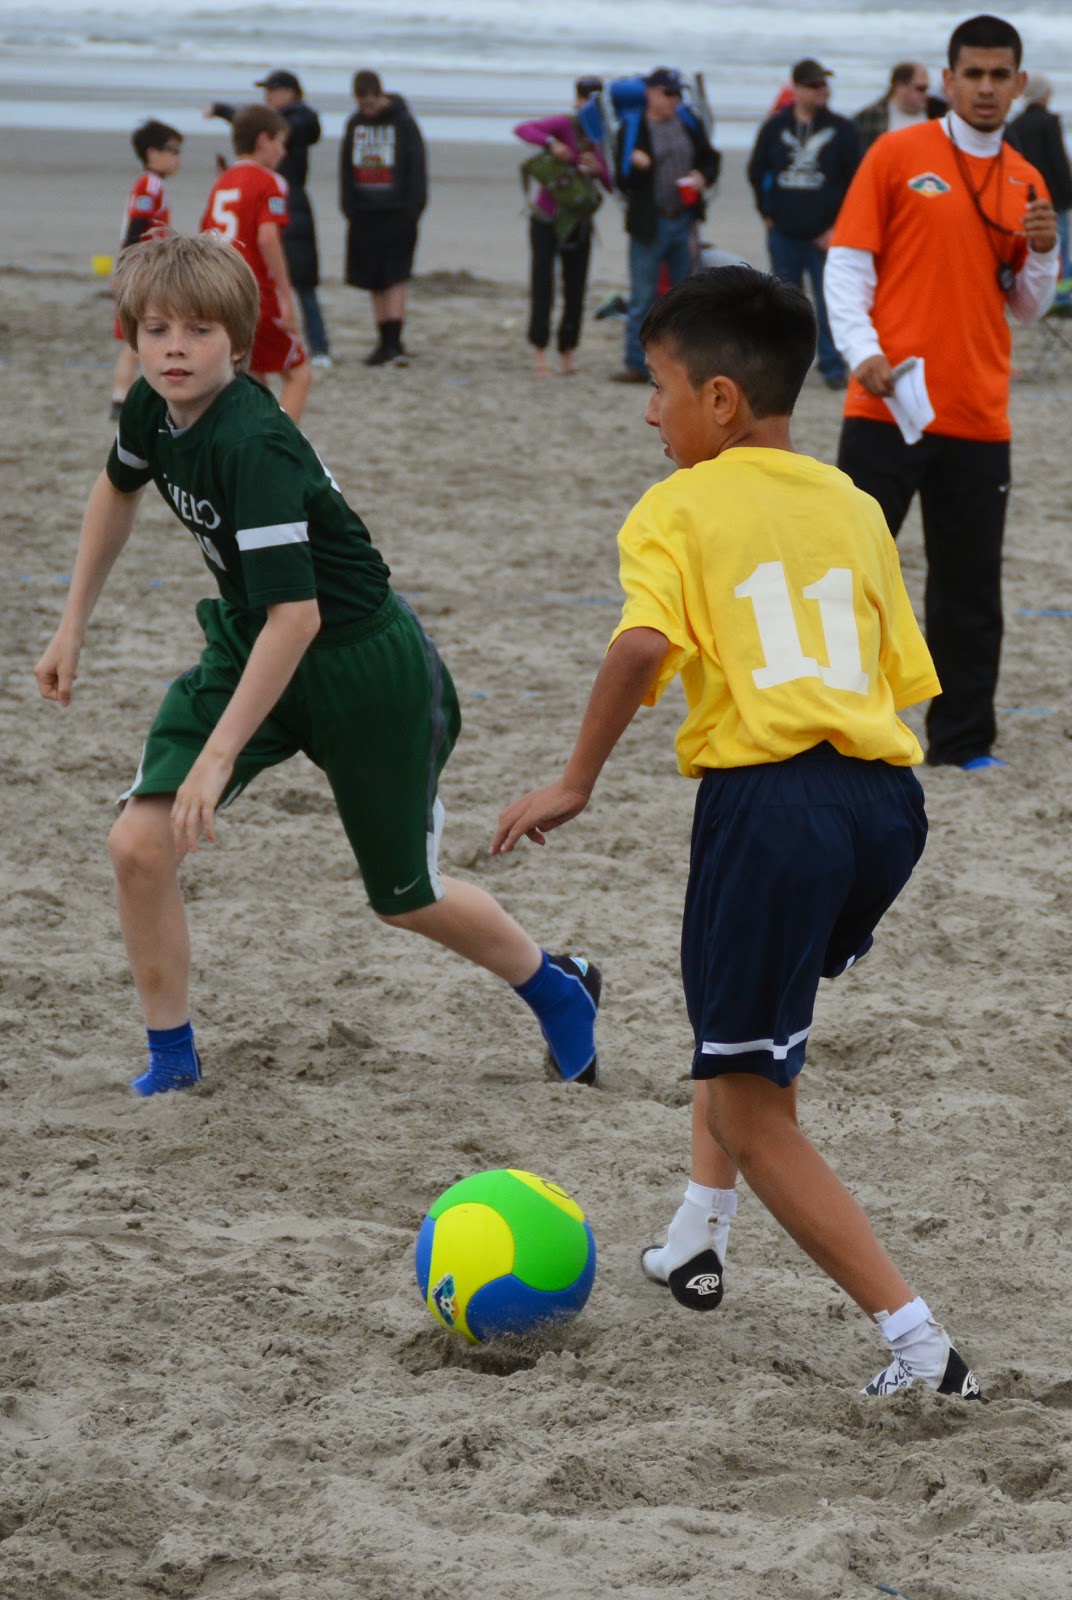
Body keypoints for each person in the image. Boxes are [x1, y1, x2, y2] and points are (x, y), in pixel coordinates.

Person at [493, 264, 980, 1400]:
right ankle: (695, 1232)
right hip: (883, 808)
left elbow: (637, 648)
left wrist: (576, 779)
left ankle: (919, 1348)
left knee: (756, 1105)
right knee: (745, 1031)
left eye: (656, 388)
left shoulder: (676, 504)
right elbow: (900, 675)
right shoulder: (855, 503)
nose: (646, 412)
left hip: (770, 808)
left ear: (718, 401)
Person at [33, 232, 601, 1100]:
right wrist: (72, 624)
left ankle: (558, 988)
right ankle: (172, 1058)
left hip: (359, 666)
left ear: (239, 340)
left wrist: (220, 755)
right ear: (132, 336)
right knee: (138, 847)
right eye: (155, 330)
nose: (175, 348)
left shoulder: (254, 444)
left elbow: (298, 618)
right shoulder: (152, 408)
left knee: (404, 898)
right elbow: (116, 489)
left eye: (197, 330)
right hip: (246, 641)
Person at [825, 13, 1060, 770]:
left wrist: (1047, 254)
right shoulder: (897, 154)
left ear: (1018, 85)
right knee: (852, 577)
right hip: (886, 404)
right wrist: (861, 353)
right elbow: (848, 266)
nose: (987, 88)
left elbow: (1023, 303)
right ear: (948, 79)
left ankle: (962, 742)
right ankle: (834, 724)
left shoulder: (1027, 176)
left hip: (979, 414)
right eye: (974, 74)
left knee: (969, 592)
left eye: (1001, 76)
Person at [204, 69, 333, 366]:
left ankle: (321, 346)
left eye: (274, 90)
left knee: (304, 280)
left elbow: (269, 126)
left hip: (285, 214)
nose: (268, 96)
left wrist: (226, 112)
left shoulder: (301, 120)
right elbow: (266, 238)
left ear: (292, 91)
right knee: (291, 370)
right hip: (254, 279)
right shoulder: (266, 179)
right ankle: (317, 348)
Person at [747, 58, 860, 390]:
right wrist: (766, 213)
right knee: (785, 305)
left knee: (829, 304)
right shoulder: (774, 127)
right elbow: (756, 171)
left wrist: (838, 227)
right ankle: (785, 368)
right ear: (795, 88)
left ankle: (832, 365)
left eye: (824, 84)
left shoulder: (842, 130)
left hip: (825, 235)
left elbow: (856, 182)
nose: (821, 90)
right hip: (783, 232)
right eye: (813, 85)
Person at [201, 104, 312, 423]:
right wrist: (285, 295)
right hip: (255, 292)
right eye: (280, 142)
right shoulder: (271, 181)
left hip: (220, 291)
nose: (283, 151)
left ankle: (253, 439)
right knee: (300, 374)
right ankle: (278, 448)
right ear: (263, 140)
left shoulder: (222, 182)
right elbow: (267, 238)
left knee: (251, 376)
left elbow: (206, 238)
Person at [612, 68, 722, 383]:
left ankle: (681, 365)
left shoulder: (688, 121)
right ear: (651, 93)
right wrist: (636, 166)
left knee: (684, 297)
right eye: (669, 94)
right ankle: (636, 364)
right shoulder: (632, 128)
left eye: (678, 94)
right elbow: (620, 181)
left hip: (683, 221)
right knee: (643, 296)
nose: (675, 100)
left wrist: (702, 177)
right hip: (650, 224)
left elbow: (710, 158)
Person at [514, 77, 613, 377]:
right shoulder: (563, 124)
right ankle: (539, 350)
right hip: (546, 218)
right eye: (584, 101)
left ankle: (568, 352)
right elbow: (523, 129)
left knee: (576, 287)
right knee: (543, 284)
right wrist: (551, 143)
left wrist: (598, 170)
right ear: (577, 101)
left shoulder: (603, 136)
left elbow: (612, 184)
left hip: (580, 222)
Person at [339, 70, 427, 367]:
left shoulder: (403, 122)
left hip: (398, 212)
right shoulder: (355, 123)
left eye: (372, 104)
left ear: (381, 94)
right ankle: (382, 340)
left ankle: (394, 340)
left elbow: (417, 166)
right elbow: (345, 166)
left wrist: (413, 208)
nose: (369, 111)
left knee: (395, 276)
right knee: (373, 279)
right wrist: (349, 206)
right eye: (363, 105)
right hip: (364, 213)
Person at [110, 120, 183, 419]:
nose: (178, 158)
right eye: (173, 151)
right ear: (152, 153)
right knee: (139, 337)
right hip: (142, 271)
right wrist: (126, 264)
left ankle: (120, 395)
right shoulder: (151, 183)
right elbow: (139, 224)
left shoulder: (151, 183)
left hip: (139, 269)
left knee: (136, 338)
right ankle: (122, 395)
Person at [1006, 75, 1072, 309]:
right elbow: (1058, 159)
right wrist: (1067, 191)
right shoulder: (1049, 122)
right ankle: (1061, 296)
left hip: (1026, 193)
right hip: (1054, 194)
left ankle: (1043, 295)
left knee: (1032, 244)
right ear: (1044, 95)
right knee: (1059, 243)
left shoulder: (1015, 124)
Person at [853, 61, 947, 153]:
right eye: (920, 89)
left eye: (927, 89)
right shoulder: (869, 118)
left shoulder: (939, 113)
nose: (926, 94)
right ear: (899, 87)